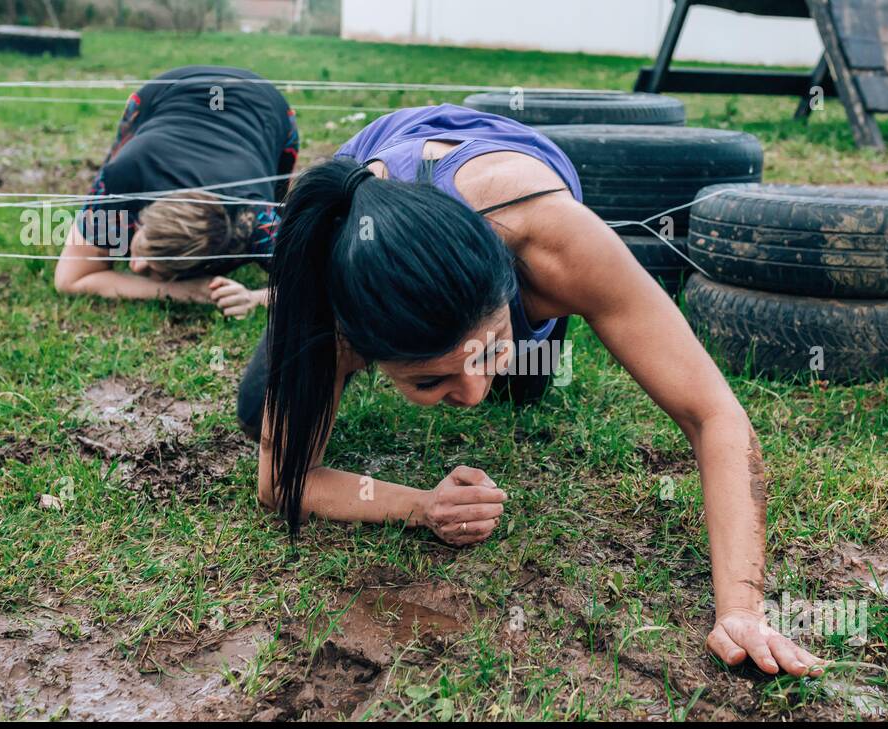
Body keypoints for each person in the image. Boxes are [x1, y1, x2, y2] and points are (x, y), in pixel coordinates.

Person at [243, 104, 823, 677]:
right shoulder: (331, 312)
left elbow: (713, 414)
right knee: (256, 408)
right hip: (366, 233)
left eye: (489, 348)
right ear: (361, 347)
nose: (472, 396)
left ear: (511, 290)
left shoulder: (557, 245)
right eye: (428, 379)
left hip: (510, 215)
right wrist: (419, 506)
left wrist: (742, 609)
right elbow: (281, 481)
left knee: (523, 388)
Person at [53, 65, 299, 318]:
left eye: (156, 269)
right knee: (102, 225)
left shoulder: (254, 217)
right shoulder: (123, 176)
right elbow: (70, 279)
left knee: (282, 210)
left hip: (265, 105)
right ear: (143, 218)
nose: (133, 266)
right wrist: (191, 290)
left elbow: (323, 283)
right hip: (170, 90)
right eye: (137, 246)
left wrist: (254, 298)